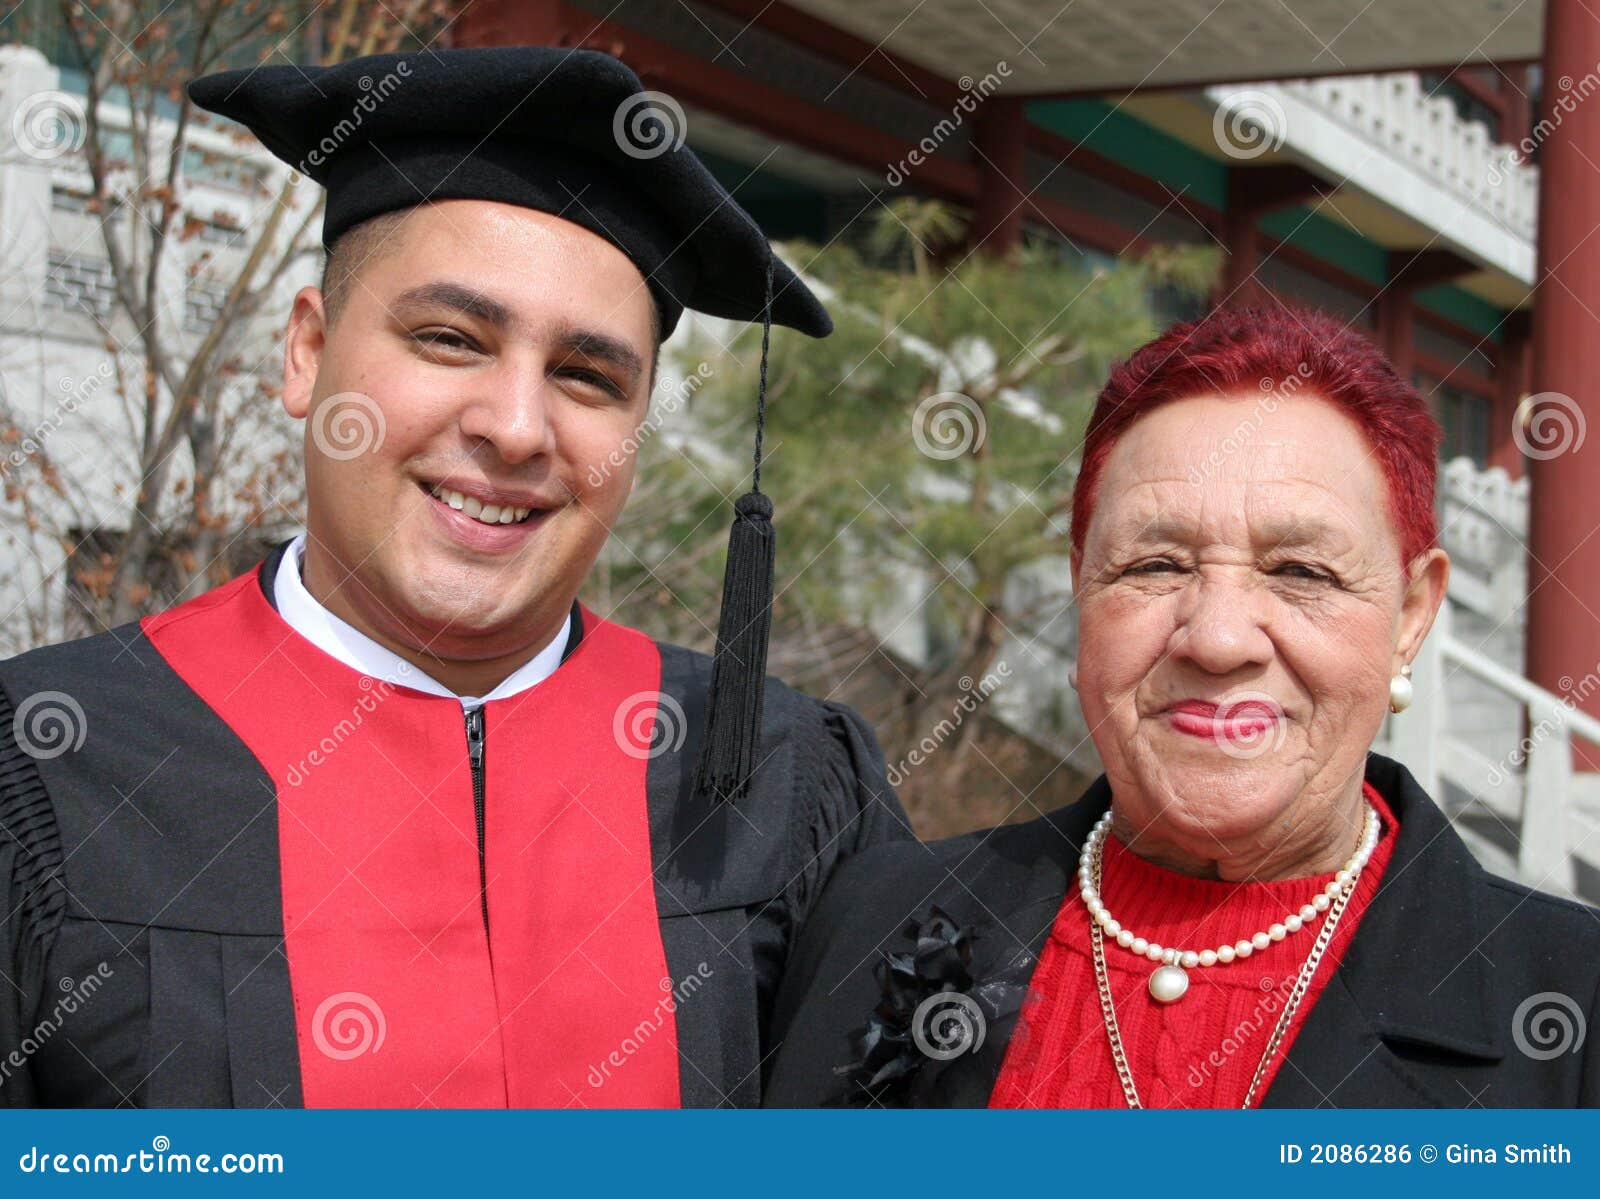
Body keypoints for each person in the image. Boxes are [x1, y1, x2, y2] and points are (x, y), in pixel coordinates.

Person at [0, 46, 908, 1109]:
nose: (516, 427)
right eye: (448, 338)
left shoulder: (781, 780)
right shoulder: (50, 770)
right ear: (308, 353)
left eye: (586, 376)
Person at [764, 306, 1600, 1108]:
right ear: (1081, 586)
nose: (1218, 638)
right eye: (1155, 565)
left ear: (1411, 616)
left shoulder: (1570, 1007)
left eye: (1301, 571)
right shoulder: (871, 920)